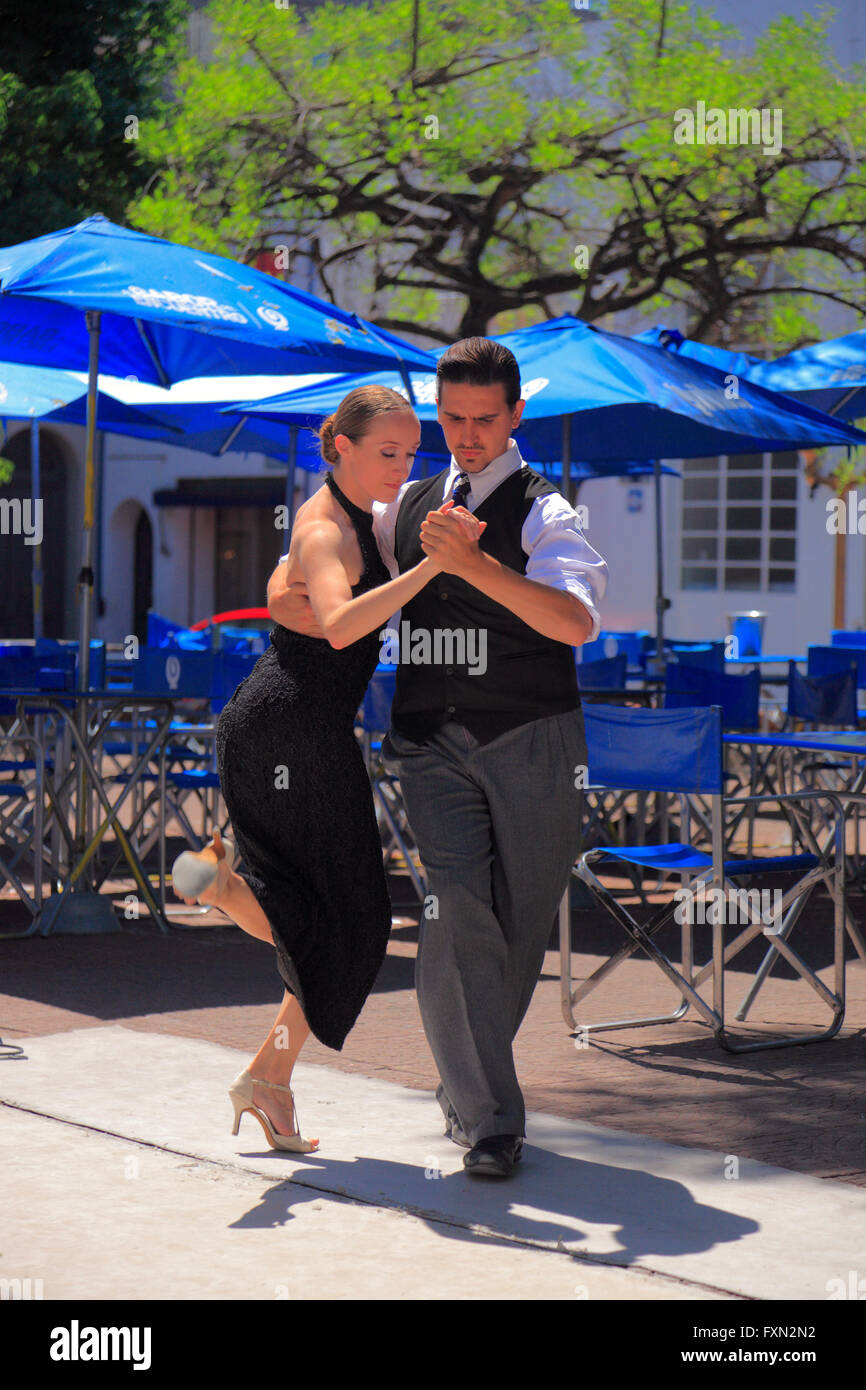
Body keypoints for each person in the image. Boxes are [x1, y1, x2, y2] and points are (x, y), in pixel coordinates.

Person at [269, 337, 608, 1178]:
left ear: (516, 414)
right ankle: (495, 1122)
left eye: (483, 419)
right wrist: (287, 586)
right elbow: (322, 544)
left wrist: (475, 565)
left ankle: (469, 1093)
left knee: (517, 930)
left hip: (533, 738)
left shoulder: (545, 511)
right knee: (454, 916)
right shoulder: (407, 503)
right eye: (451, 418)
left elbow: (575, 623)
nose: (465, 435)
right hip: (428, 743)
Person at [171, 383, 486, 1153]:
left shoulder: (358, 513)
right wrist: (433, 571)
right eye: (389, 452)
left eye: (412, 453)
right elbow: (343, 625)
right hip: (291, 731)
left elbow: (294, 593)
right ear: (339, 447)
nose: (403, 466)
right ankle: (231, 903)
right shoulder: (324, 529)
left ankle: (268, 1072)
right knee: (354, 921)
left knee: (336, 919)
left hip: (293, 726)